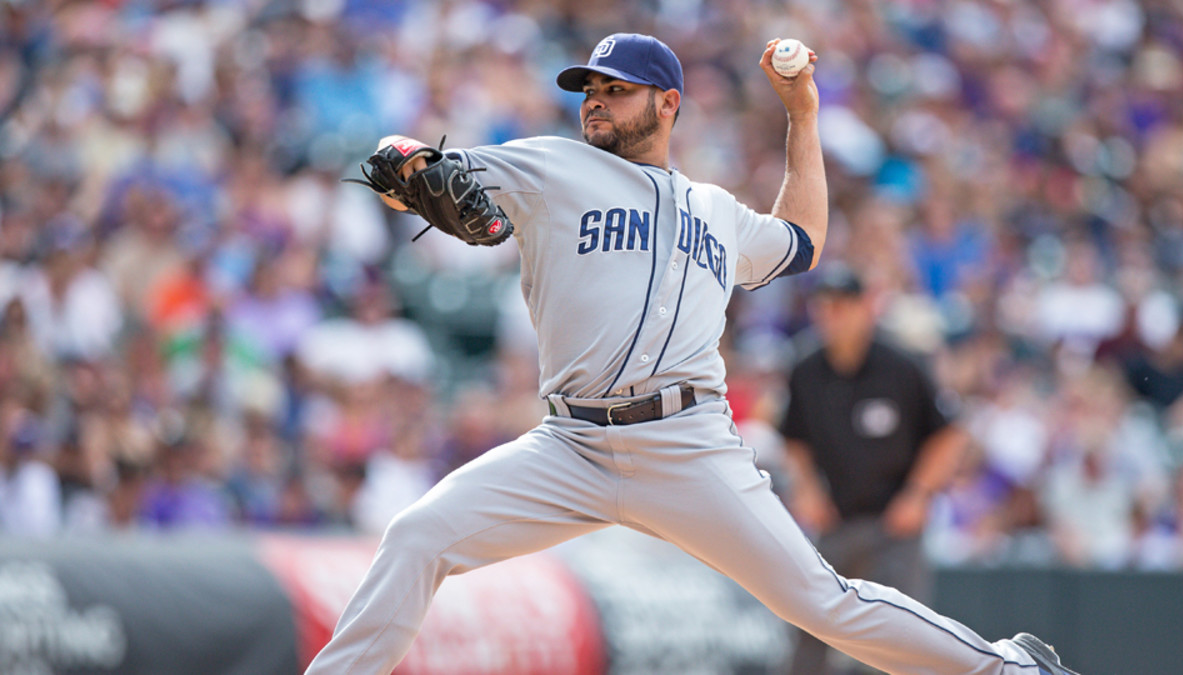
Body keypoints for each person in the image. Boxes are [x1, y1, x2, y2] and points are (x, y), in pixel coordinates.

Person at [305, 33, 1078, 675]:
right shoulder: (552, 165)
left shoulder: (716, 210)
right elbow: (410, 167)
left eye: (617, 88)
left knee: (821, 601)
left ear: (667, 102)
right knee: (416, 537)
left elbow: (803, 241)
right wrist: (404, 163)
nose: (596, 100)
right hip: (568, 444)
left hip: (686, 445)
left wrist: (802, 116)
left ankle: (1007, 666)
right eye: (589, 88)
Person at [778, 263, 971, 674]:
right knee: (806, 625)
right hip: (834, 523)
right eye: (824, 306)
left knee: (895, 638)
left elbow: (949, 435)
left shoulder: (902, 363)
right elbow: (793, 438)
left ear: (866, 307)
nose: (833, 315)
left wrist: (918, 495)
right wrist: (808, 488)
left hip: (894, 524)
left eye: (843, 306)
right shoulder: (806, 368)